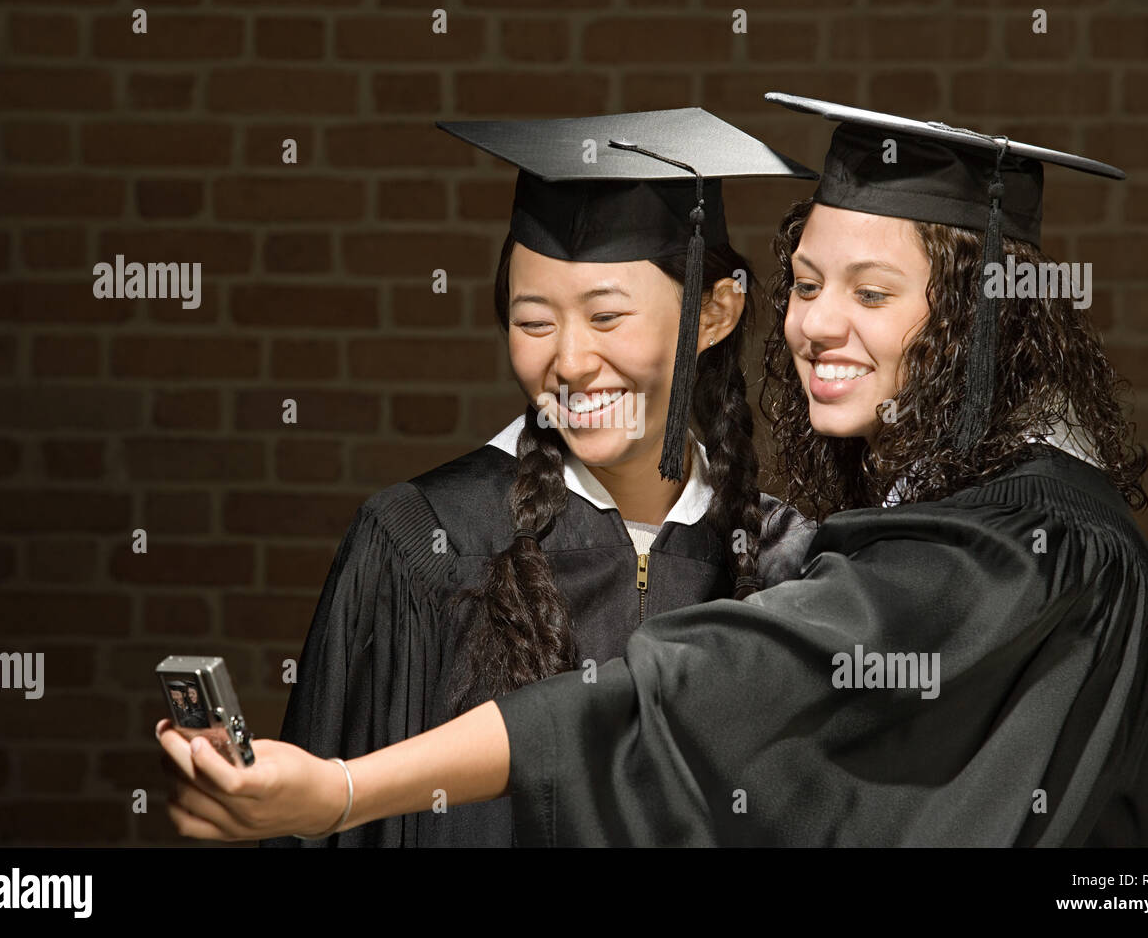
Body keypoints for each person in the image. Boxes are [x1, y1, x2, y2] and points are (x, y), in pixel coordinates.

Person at [158, 98, 1148, 846]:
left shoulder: (1018, 546)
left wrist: (347, 788)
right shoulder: (415, 541)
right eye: (806, 284)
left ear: (973, 322)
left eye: (871, 292)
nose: (818, 324)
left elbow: (706, 685)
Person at [257, 109, 819, 847]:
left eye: (607, 315)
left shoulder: (784, 563)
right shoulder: (423, 543)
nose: (572, 360)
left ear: (714, 314)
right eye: (533, 321)